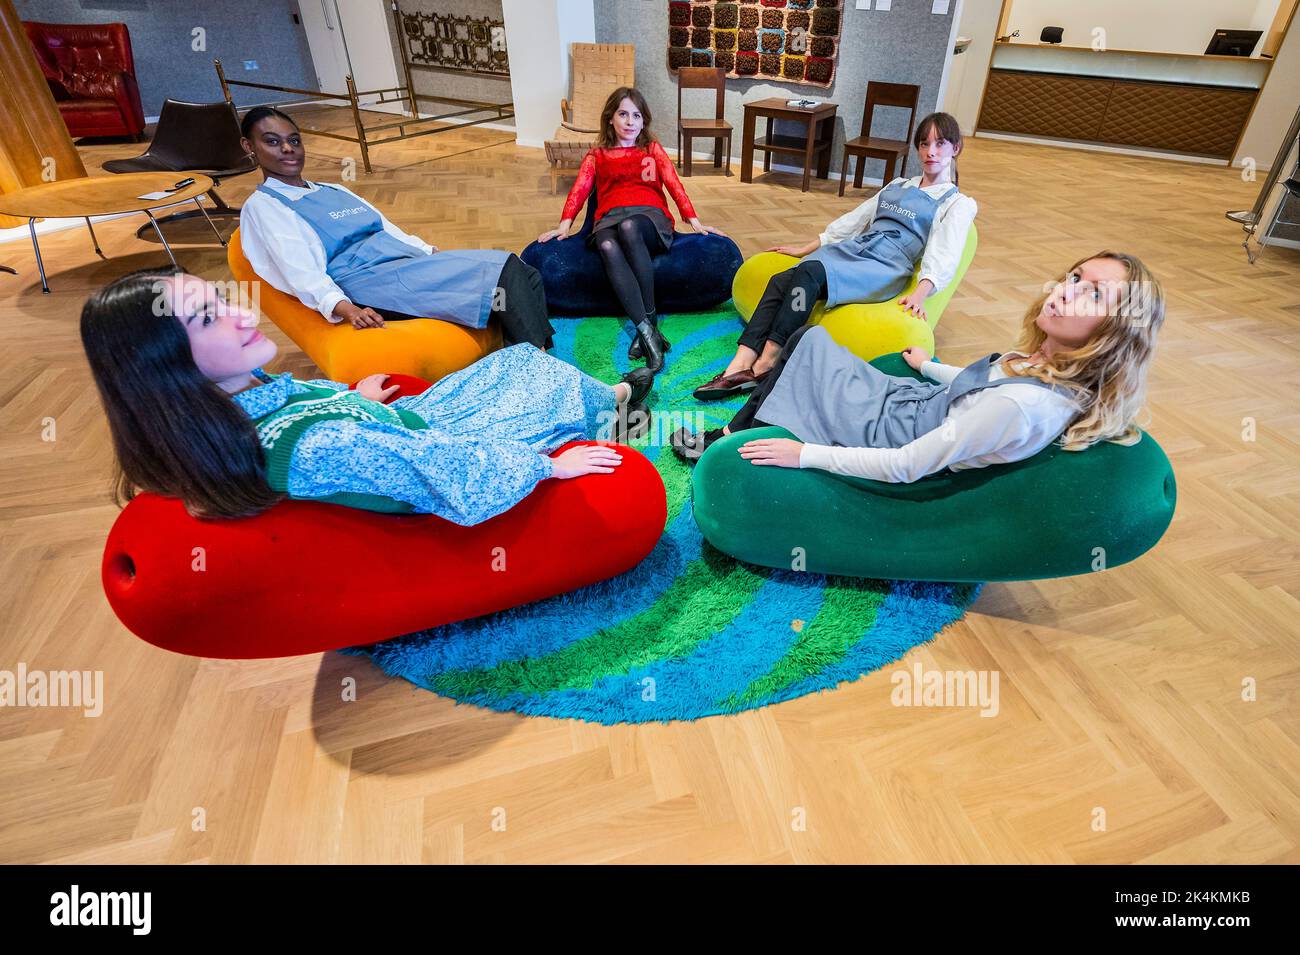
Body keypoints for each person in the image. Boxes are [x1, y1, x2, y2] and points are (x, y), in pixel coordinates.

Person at [81, 269, 657, 525]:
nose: (240, 313)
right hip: (449, 444)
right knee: (544, 383)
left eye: (220, 298)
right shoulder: (315, 449)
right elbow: (438, 468)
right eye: (209, 318)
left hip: (397, 423)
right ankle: (615, 404)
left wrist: (355, 398)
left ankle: (608, 395)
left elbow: (311, 410)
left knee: (520, 360)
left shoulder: (237, 405)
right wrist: (547, 468)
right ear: (168, 364)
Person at [670, 252, 1165, 486]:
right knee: (810, 341)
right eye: (1074, 276)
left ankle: (731, 438)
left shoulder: (1021, 407)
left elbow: (906, 464)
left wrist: (806, 455)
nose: (1064, 289)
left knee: (805, 341)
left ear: (1116, 330)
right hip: (912, 403)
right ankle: (741, 425)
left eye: (1092, 293)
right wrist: (930, 367)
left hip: (891, 432)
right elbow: (981, 384)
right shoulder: (1045, 369)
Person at [693, 111, 977, 400]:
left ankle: (767, 363)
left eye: (940, 144)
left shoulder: (956, 203)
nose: (931, 152)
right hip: (856, 250)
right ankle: (739, 365)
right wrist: (807, 246)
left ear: (956, 148)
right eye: (924, 144)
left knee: (809, 274)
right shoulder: (898, 185)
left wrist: (922, 292)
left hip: (884, 266)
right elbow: (857, 218)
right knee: (782, 279)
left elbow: (946, 250)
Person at [237, 106, 554, 348]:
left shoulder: (333, 189)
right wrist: (345, 309)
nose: (288, 149)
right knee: (506, 272)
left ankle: (528, 355)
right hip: (370, 284)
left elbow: (387, 228)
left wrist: (431, 253)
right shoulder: (264, 207)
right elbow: (300, 271)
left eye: (294, 140)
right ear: (249, 147)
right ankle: (538, 362)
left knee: (527, 273)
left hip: (406, 265)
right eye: (272, 142)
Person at [538, 86, 727, 372]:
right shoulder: (597, 155)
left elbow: (674, 184)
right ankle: (648, 331)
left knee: (628, 227)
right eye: (623, 114)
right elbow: (580, 189)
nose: (630, 122)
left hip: (650, 219)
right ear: (610, 119)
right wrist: (563, 227)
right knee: (605, 244)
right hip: (607, 219)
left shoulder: (652, 149)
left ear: (644, 121)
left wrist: (694, 220)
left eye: (636, 116)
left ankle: (646, 327)